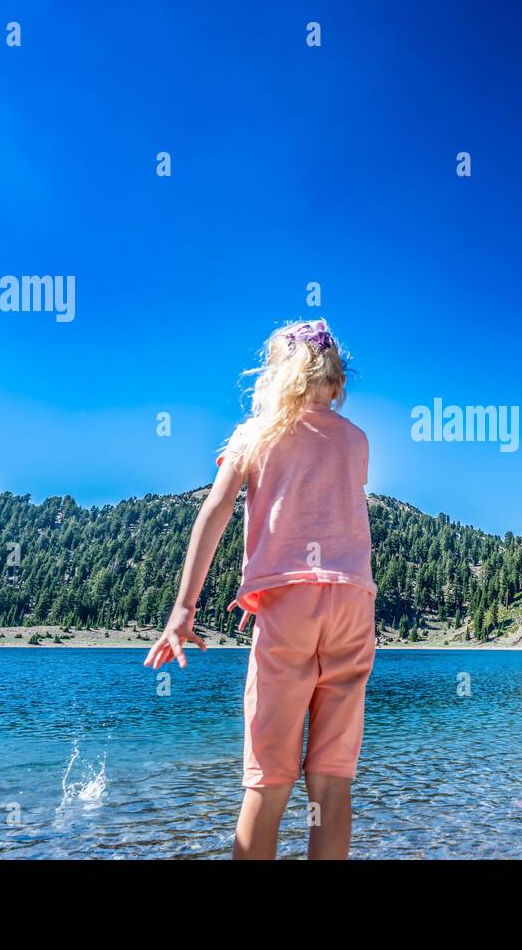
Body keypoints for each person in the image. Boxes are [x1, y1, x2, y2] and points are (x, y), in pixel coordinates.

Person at [144, 319, 376, 860]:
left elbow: (215, 511)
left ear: (274, 379)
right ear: (337, 383)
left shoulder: (257, 434)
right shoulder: (358, 440)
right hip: (352, 603)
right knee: (332, 781)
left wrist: (184, 608)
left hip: (289, 604)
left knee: (268, 780)